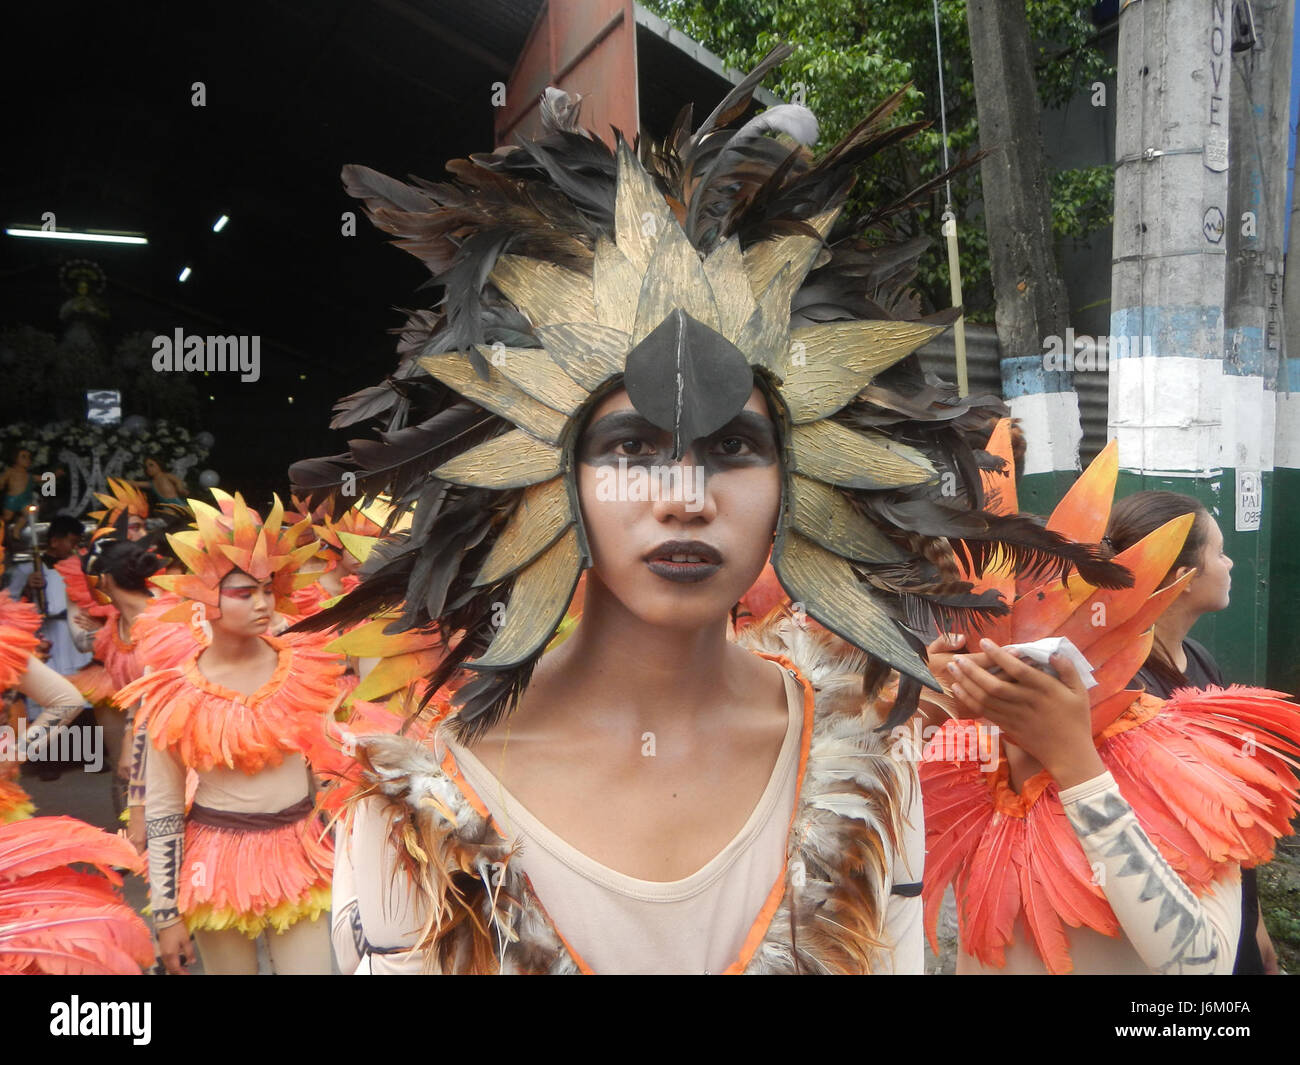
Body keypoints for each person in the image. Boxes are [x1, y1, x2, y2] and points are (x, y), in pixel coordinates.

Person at [300, 54, 1116, 975]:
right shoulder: (415, 817)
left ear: (796, 479)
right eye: (631, 448)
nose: (685, 498)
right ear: (547, 478)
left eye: (733, 448)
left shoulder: (863, 771)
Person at [920, 432, 1300, 974]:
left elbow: (1204, 967)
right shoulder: (966, 764)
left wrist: (1079, 768)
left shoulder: (1177, 754)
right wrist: (926, 701)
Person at [116, 490, 342, 975]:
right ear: (204, 598)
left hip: (301, 854)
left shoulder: (309, 666)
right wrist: (166, 914)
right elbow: (162, 808)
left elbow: (333, 771)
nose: (263, 602)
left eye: (267, 588)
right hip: (213, 862)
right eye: (244, 592)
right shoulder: (173, 692)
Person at [1106, 490, 1280, 974]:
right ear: (1183, 578)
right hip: (1179, 933)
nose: (1230, 564)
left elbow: (1230, 819)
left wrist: (1254, 924)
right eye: (1219, 552)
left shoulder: (1200, 660)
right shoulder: (1127, 692)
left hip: (1230, 912)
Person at [6, 514, 92, 678]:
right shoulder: (26, 570)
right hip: (45, 632)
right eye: (72, 542)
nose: (75, 548)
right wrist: (27, 589)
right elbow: (8, 607)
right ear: (54, 541)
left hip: (74, 631)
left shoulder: (82, 569)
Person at [1, 447, 35, 543]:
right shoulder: (10, 471)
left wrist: (54, 475)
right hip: (11, 500)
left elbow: (40, 478)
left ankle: (16, 530)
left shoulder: (28, 475)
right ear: (15, 459)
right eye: (23, 457)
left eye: (29, 457)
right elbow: (2, 480)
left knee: (28, 514)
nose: (27, 459)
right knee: (7, 517)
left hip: (23, 500)